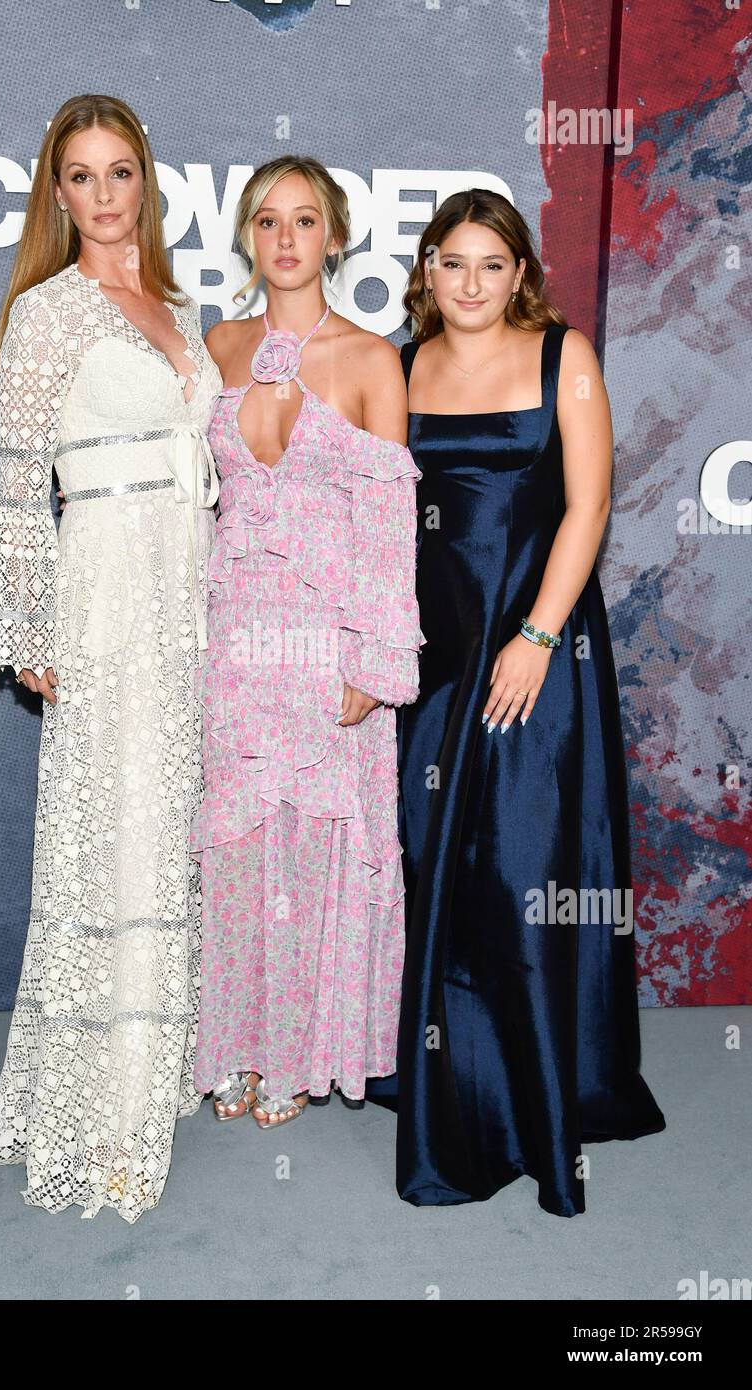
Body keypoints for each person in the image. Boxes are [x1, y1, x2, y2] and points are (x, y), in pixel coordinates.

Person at [366, 187, 666, 1216]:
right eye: (452, 262)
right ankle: (448, 1084)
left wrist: (536, 636)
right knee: (429, 862)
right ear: (427, 269)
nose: (471, 284)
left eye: (492, 265)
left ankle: (546, 1091)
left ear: (522, 273)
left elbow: (588, 504)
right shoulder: (401, 365)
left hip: (540, 650)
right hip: (431, 658)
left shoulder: (561, 358)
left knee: (524, 867)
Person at [0, 94, 222, 1222]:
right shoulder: (44, 315)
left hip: (187, 585)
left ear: (144, 184)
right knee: (109, 829)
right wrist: (30, 629)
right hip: (107, 588)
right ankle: (97, 1101)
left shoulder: (178, 301)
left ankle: (158, 1068)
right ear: (56, 193)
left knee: (169, 824)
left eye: (123, 172)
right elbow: (22, 493)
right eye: (84, 175)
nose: (107, 194)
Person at [188, 156, 424, 1127]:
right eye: (269, 221)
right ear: (248, 236)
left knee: (318, 852)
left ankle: (297, 1056)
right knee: (241, 852)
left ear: (335, 236)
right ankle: (237, 1048)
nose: (287, 239)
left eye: (305, 220)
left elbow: (389, 524)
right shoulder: (214, 344)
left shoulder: (372, 359)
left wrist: (375, 661)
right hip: (236, 638)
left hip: (327, 645)